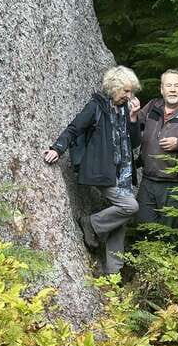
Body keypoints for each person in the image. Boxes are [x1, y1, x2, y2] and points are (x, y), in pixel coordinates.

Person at [43, 65, 142, 275]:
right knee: (130, 207)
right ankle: (91, 223)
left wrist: (133, 119)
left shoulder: (126, 110)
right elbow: (74, 128)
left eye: (131, 91)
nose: (129, 96)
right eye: (126, 91)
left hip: (123, 173)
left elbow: (133, 143)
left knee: (120, 222)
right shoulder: (96, 106)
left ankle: (113, 273)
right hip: (102, 172)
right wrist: (57, 148)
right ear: (114, 88)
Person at [135, 69, 178, 228]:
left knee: (170, 233)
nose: (172, 89)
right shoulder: (152, 106)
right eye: (168, 85)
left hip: (176, 185)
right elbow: (132, 126)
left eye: (177, 85)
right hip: (147, 181)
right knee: (143, 229)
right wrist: (131, 114)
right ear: (162, 89)